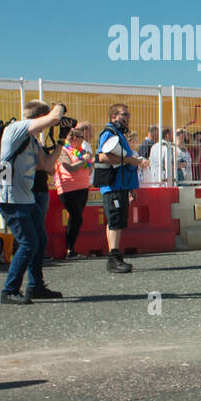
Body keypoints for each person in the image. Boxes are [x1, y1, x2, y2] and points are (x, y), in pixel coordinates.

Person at [0, 101, 67, 302]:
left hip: (26, 198)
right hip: (10, 198)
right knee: (28, 243)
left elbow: (48, 166)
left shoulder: (32, 140)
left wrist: (60, 141)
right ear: (40, 117)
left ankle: (35, 286)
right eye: (46, 119)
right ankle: (9, 291)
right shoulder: (17, 129)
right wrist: (59, 107)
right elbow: (54, 118)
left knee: (40, 240)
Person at [95, 103, 148, 274]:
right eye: (123, 115)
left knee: (116, 221)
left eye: (128, 115)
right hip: (113, 185)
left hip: (121, 186)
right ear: (113, 117)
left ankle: (115, 255)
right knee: (115, 221)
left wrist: (131, 188)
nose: (127, 118)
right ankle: (113, 257)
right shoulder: (109, 133)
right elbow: (103, 156)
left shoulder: (118, 134)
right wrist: (133, 161)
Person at [54, 125, 94, 259]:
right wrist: (85, 159)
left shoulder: (81, 151)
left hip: (82, 187)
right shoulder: (63, 150)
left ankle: (72, 249)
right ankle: (70, 249)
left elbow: (89, 169)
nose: (84, 141)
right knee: (76, 217)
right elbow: (69, 167)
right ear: (75, 138)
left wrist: (90, 161)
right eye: (82, 138)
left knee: (76, 218)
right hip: (68, 188)